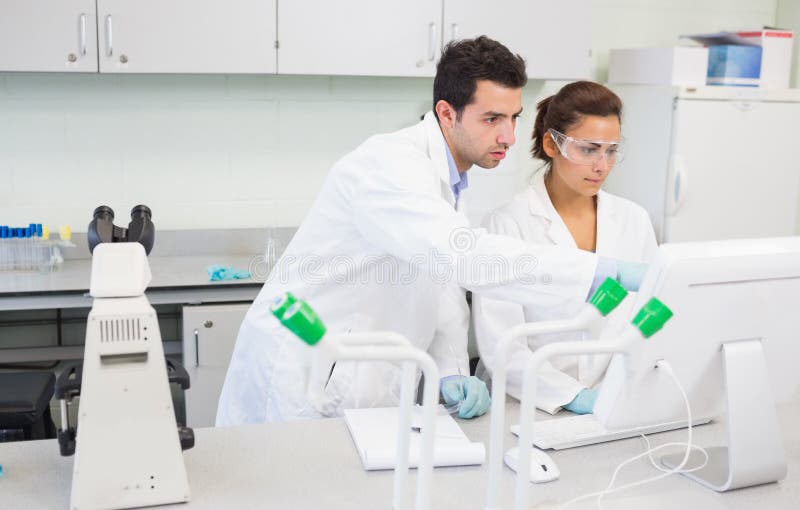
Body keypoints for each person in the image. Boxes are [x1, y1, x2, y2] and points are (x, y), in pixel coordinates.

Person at [216, 39, 642, 426]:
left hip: (359, 371)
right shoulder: (389, 165)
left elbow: (439, 283)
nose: (509, 136)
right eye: (492, 118)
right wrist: (595, 273)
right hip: (305, 371)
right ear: (446, 113)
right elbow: (462, 257)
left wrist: (454, 368)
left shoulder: (451, 178)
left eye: (513, 117)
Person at [473, 81, 657, 415]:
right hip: (529, 405)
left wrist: (626, 386)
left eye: (611, 150)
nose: (601, 165)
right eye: (589, 149)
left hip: (616, 401)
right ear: (551, 145)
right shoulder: (507, 224)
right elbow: (503, 345)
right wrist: (572, 396)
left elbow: (649, 317)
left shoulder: (634, 220)